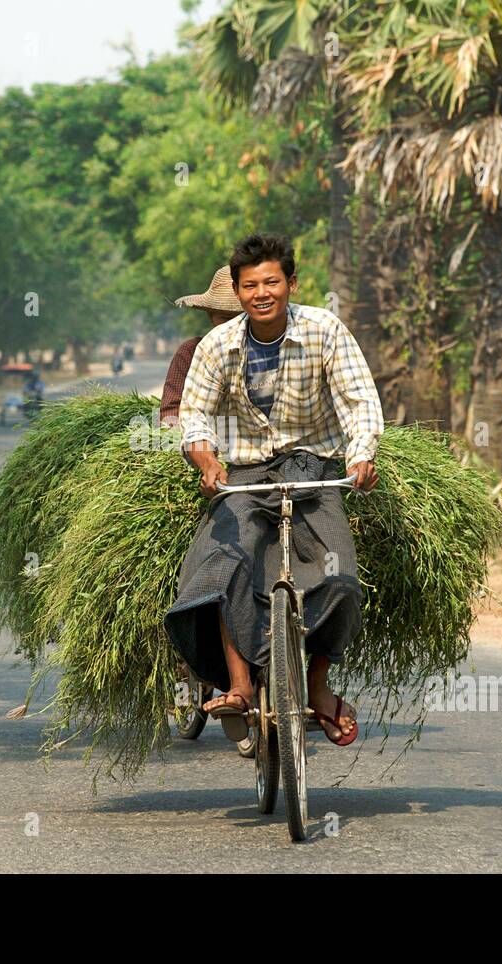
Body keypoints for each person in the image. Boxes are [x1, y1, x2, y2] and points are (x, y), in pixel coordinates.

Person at [164, 233, 383, 746]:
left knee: (341, 577)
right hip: (241, 475)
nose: (261, 293)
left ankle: (317, 683)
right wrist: (205, 458)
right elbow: (192, 413)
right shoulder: (216, 346)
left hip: (314, 469)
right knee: (218, 569)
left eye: (271, 282)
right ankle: (239, 686)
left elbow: (359, 401)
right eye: (250, 286)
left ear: (290, 284)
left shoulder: (325, 330)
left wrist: (361, 454)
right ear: (238, 294)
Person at [159, 265, 243, 425]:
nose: (234, 325)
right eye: (225, 318)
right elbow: (171, 410)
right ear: (211, 316)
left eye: (240, 317)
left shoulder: (271, 350)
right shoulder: (190, 352)